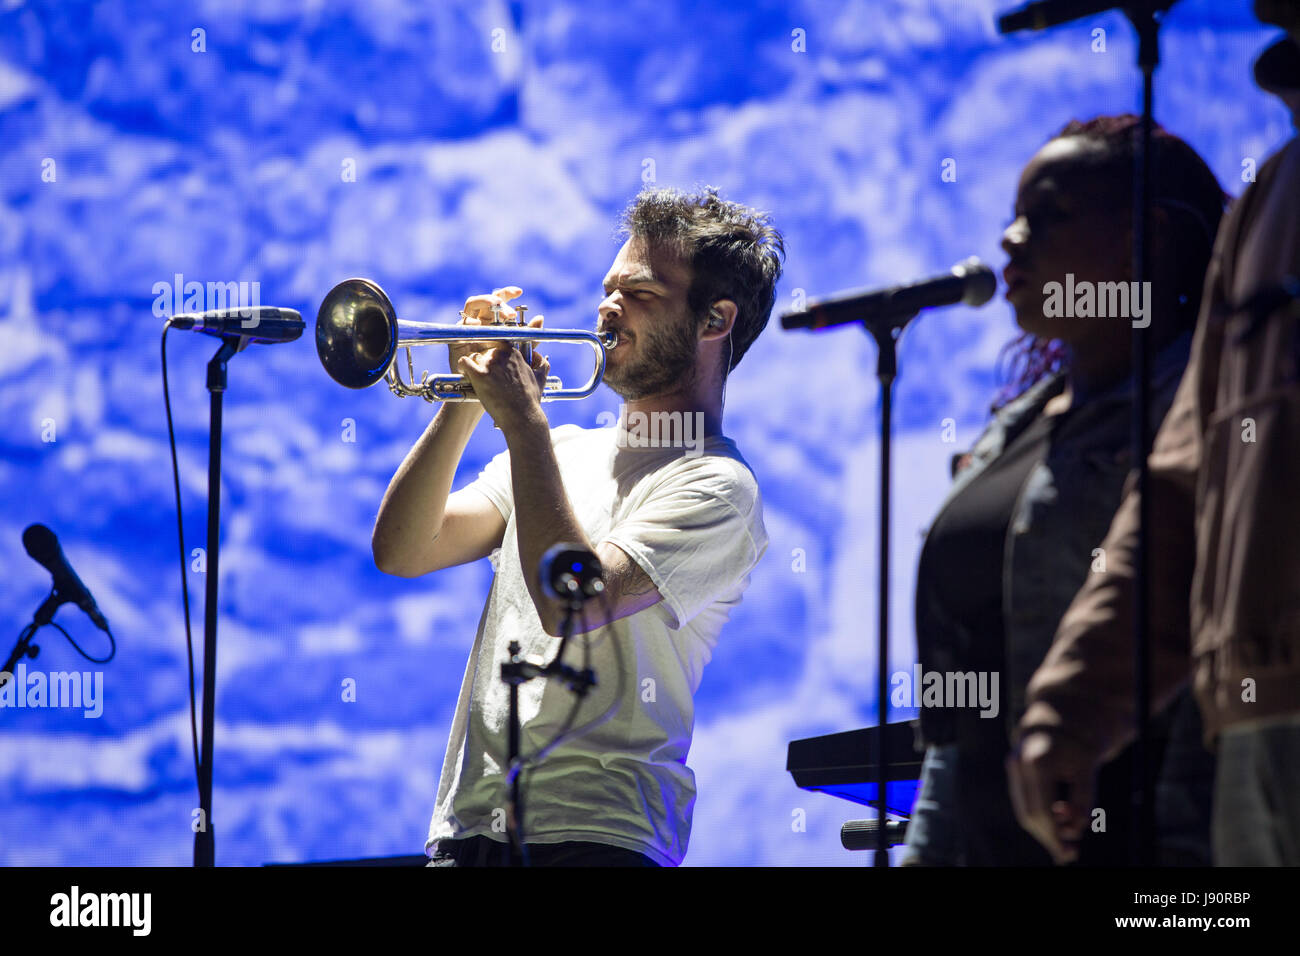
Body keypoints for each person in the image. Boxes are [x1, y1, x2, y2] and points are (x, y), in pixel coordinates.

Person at [371, 186, 783, 867]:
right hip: (469, 826)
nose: (606, 307)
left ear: (716, 319)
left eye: (640, 293)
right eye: (608, 288)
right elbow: (403, 549)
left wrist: (523, 421)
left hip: (599, 835)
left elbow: (574, 600)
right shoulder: (559, 452)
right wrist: (467, 403)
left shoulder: (717, 485)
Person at [1009, 1, 1300, 867]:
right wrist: (1073, 704)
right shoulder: (1272, 200)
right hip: (1262, 719)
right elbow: (1180, 488)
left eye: (1051, 215)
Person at [901, 115, 1228, 866]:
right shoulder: (1012, 430)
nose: (1011, 240)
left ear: (1150, 236)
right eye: (1014, 218)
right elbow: (962, 711)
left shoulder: (1200, 411)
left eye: (1048, 217)